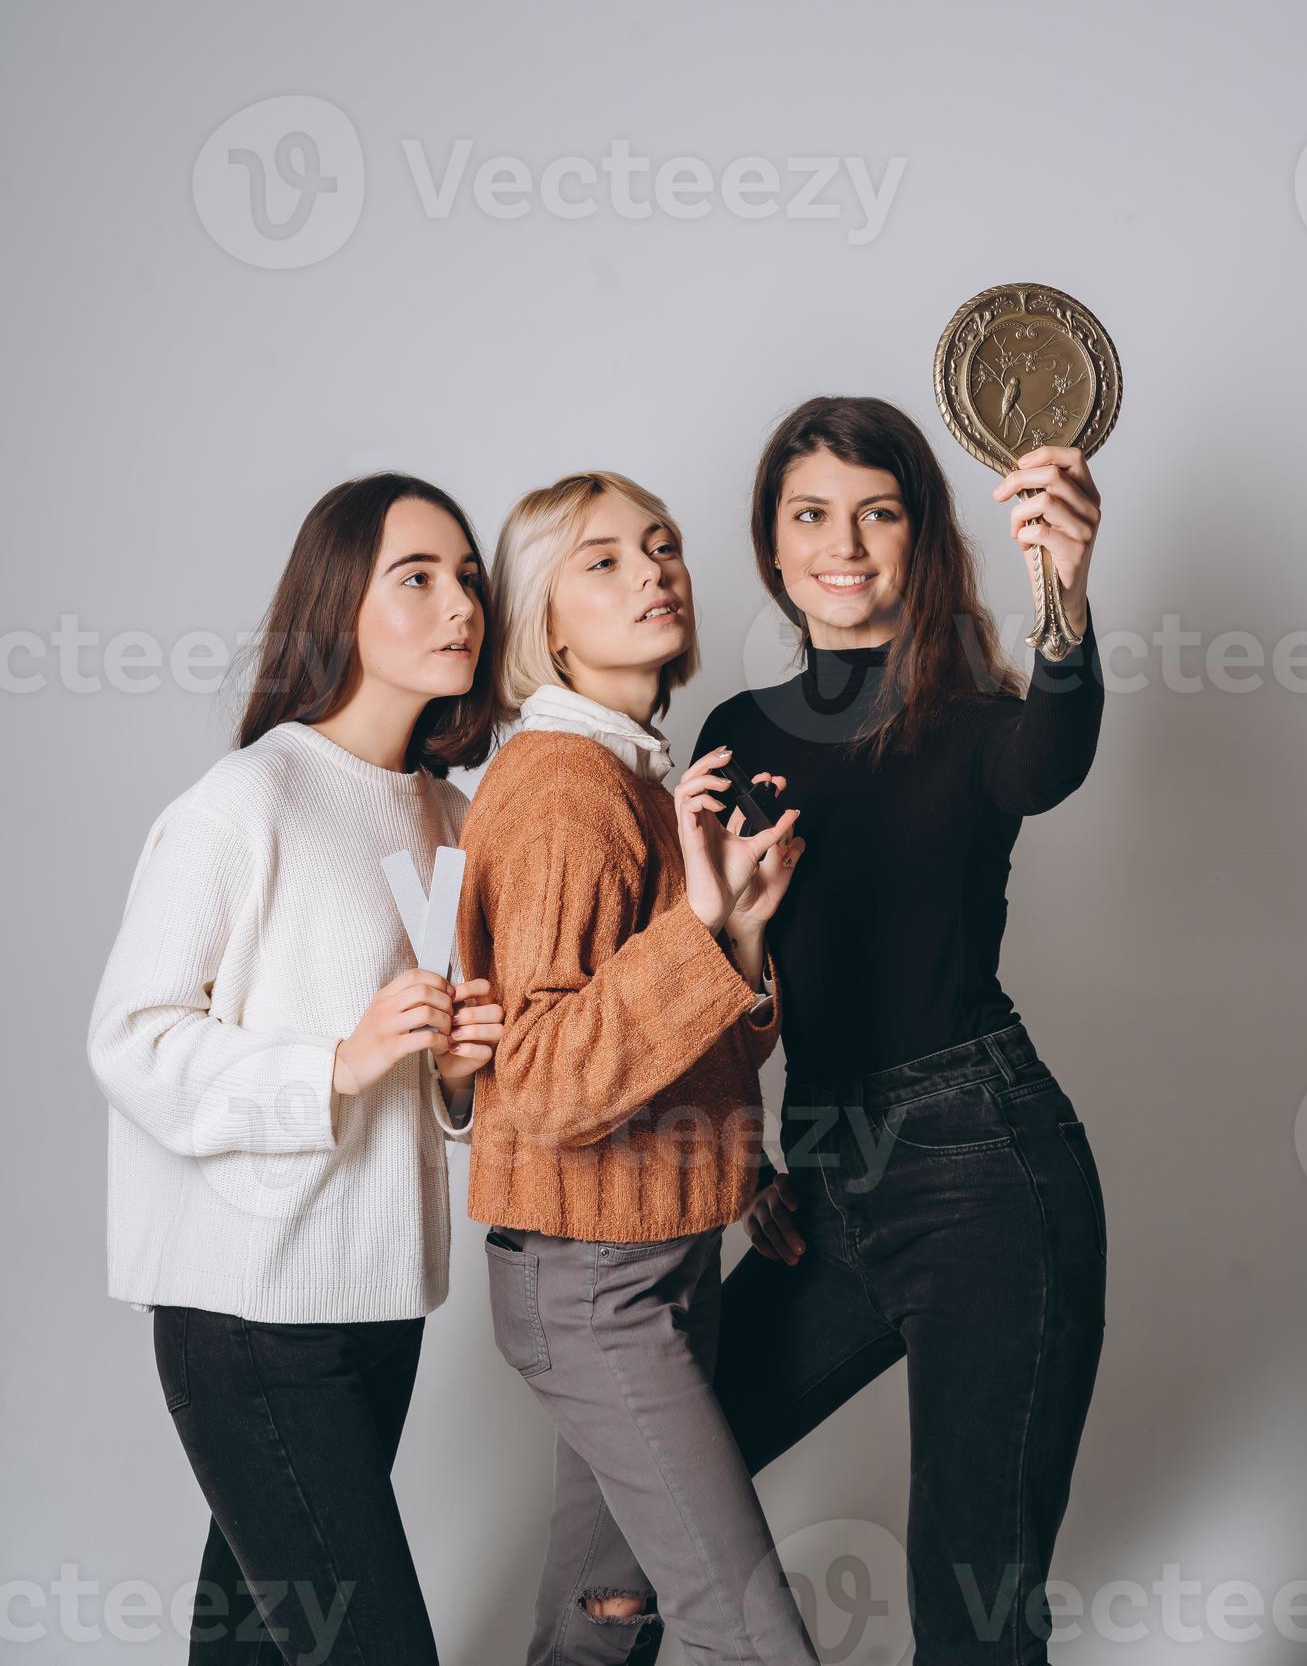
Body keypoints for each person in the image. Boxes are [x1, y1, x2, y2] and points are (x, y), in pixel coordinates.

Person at [584, 399, 1110, 1666]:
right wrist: (756, 1158)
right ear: (771, 544)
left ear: (920, 537)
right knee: (630, 1531)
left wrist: (1066, 601)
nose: (845, 544)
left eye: (878, 512)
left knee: (970, 1605)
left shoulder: (983, 718)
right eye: (810, 513)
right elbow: (716, 976)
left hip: (986, 1175)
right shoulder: (734, 736)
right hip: (824, 1184)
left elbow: (1053, 755)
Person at [87, 472, 506, 1665]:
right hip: (248, 1310)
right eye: (415, 578)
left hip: (381, 1299)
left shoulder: (450, 815)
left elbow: (430, 1081)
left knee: (263, 1643)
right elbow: (131, 1035)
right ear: (339, 604)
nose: (457, 604)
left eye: (467, 578)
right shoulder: (247, 798)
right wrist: (340, 1055)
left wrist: (456, 1074)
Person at [456, 469, 822, 1665]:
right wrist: (697, 935)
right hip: (595, 1288)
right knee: (749, 1635)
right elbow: (551, 1079)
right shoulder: (566, 789)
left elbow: (675, 1040)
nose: (651, 569)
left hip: (656, 1262)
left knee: (600, 1624)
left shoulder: (634, 776)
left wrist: (741, 932)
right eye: (601, 558)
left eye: (659, 545)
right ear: (541, 622)